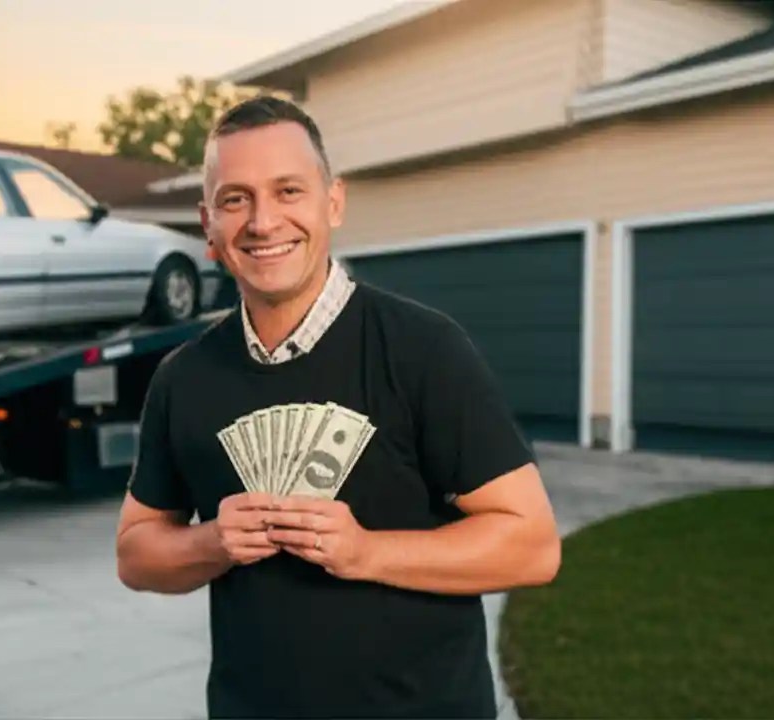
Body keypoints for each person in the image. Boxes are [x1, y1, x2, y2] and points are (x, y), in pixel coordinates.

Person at [115, 95, 560, 719]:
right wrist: (214, 541)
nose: (263, 222)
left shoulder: (423, 349)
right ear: (207, 226)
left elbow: (532, 546)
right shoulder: (183, 378)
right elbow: (136, 555)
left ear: (334, 202)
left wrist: (366, 552)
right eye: (235, 199)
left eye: (288, 191)